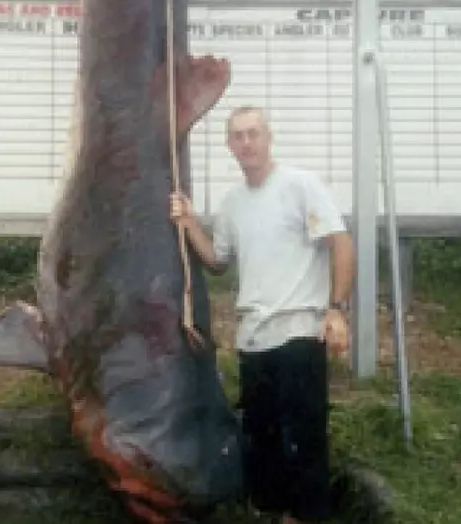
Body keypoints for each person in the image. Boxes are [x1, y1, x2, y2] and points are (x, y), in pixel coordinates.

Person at [170, 105, 356, 524]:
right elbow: (218, 261)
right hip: (253, 338)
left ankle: (309, 516)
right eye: (238, 135)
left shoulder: (300, 185)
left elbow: (341, 244)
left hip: (299, 332)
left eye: (254, 133)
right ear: (229, 145)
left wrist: (338, 310)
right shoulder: (233, 202)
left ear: (268, 137)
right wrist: (189, 222)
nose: (247, 142)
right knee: (263, 438)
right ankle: (272, 513)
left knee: (303, 437)